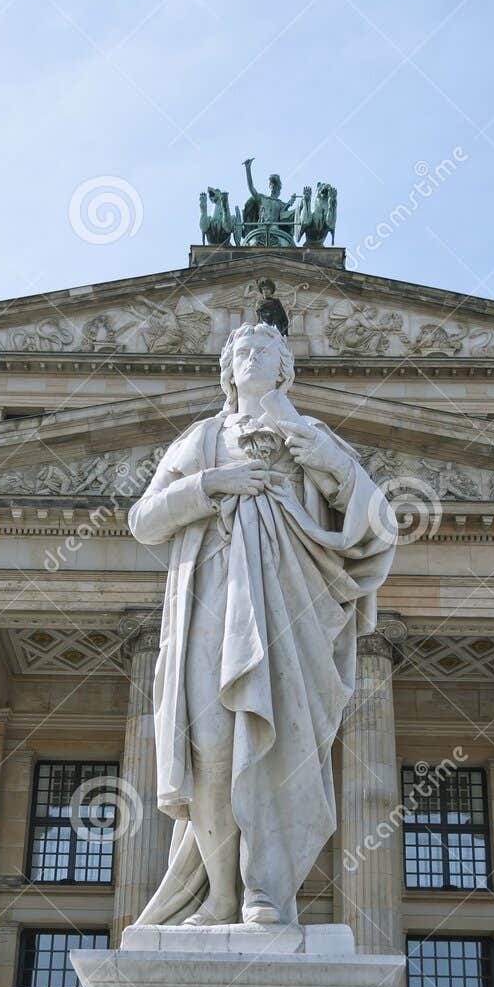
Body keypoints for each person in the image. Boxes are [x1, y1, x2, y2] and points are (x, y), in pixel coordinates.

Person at [128, 321, 396, 928]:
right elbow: (144, 520)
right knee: (212, 751)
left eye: (264, 351)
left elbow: (377, 526)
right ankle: (222, 894)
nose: (250, 358)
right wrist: (209, 485)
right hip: (210, 609)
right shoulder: (201, 439)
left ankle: (263, 893)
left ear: (284, 369)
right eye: (240, 352)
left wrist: (332, 466)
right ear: (227, 370)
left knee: (276, 751)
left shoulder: (312, 435)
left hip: (289, 612)